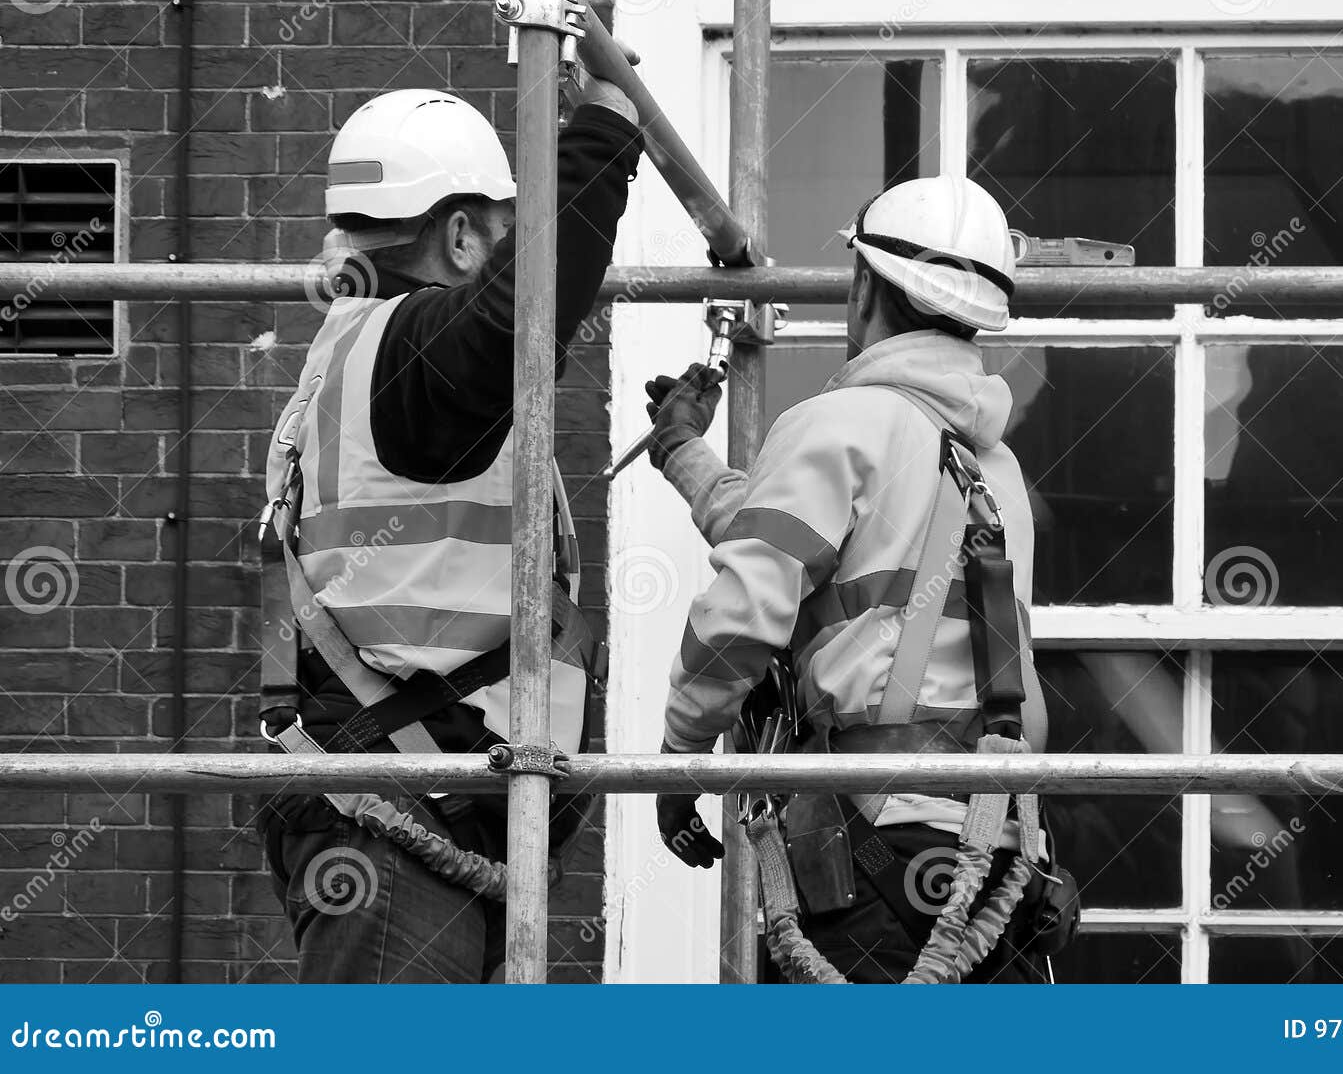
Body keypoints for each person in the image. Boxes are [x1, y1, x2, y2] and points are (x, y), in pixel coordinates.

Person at [256, 63, 642, 983]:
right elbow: (522, 315)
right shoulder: (410, 350)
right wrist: (605, 127)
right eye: (503, 233)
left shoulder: (363, 351)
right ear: (462, 234)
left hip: (416, 793)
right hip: (397, 804)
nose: (514, 252)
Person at [646, 176, 1059, 983]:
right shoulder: (997, 472)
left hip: (874, 852)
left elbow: (741, 614)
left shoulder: (836, 426)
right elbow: (817, 547)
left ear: (866, 284)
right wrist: (686, 456)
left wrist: (679, 757)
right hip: (999, 860)